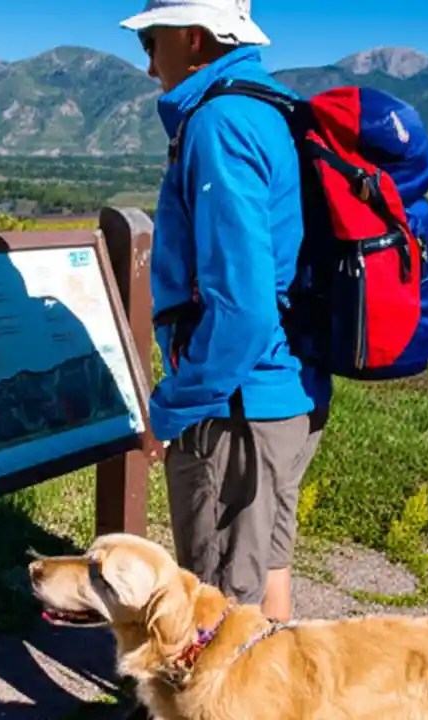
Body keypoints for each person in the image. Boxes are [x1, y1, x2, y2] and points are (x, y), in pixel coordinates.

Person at [118, 0, 332, 628]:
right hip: (289, 395)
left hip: (236, 415)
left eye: (150, 41)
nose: (148, 61)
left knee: (217, 620)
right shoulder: (277, 109)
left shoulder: (220, 124)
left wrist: (172, 406)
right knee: (269, 592)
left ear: (192, 38)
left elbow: (240, 307)